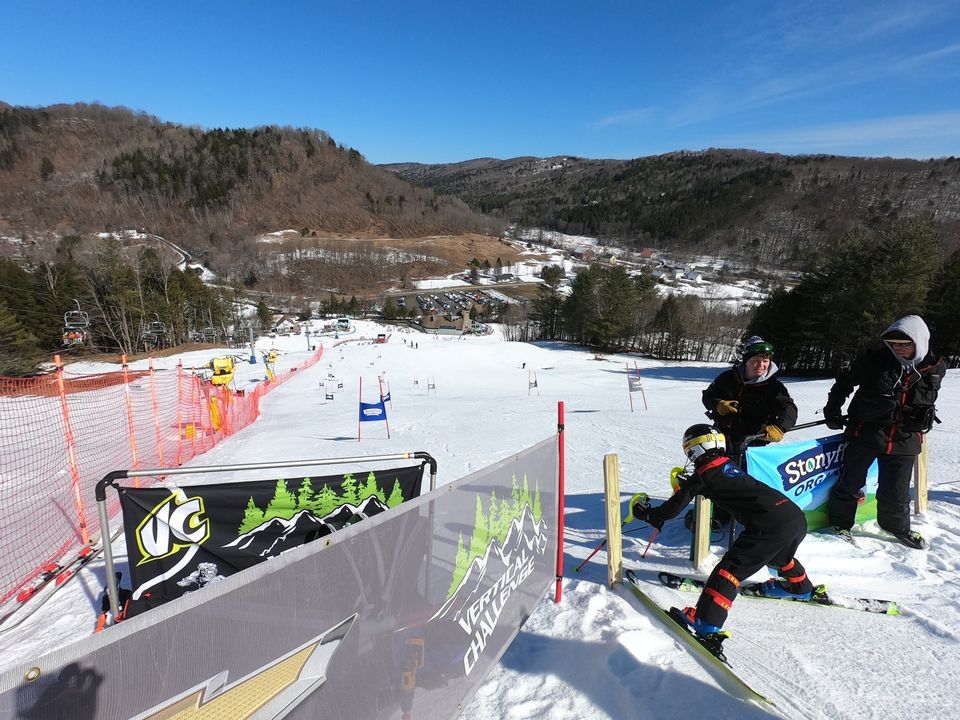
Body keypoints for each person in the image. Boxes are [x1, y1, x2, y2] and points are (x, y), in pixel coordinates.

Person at [632, 424, 814, 645]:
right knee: (779, 556)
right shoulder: (729, 465)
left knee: (728, 571)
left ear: (695, 450)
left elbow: (669, 512)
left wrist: (647, 513)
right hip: (792, 516)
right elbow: (723, 486)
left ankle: (705, 621)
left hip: (769, 525)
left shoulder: (702, 476)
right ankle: (800, 587)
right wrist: (690, 485)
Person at [823, 315, 945, 549]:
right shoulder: (874, 360)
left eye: (904, 345)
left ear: (919, 342)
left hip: (906, 438)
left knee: (897, 491)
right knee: (850, 483)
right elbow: (844, 382)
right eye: (894, 345)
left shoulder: (935, 367)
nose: (898, 349)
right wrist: (832, 409)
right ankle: (840, 524)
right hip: (866, 433)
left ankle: (896, 527)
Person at [702, 336, 798, 454]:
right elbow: (707, 396)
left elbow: (789, 409)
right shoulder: (727, 377)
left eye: (765, 361)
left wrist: (780, 427)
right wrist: (717, 404)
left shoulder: (774, 387)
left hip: (752, 443)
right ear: (746, 361)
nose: (761, 365)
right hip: (721, 436)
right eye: (755, 361)